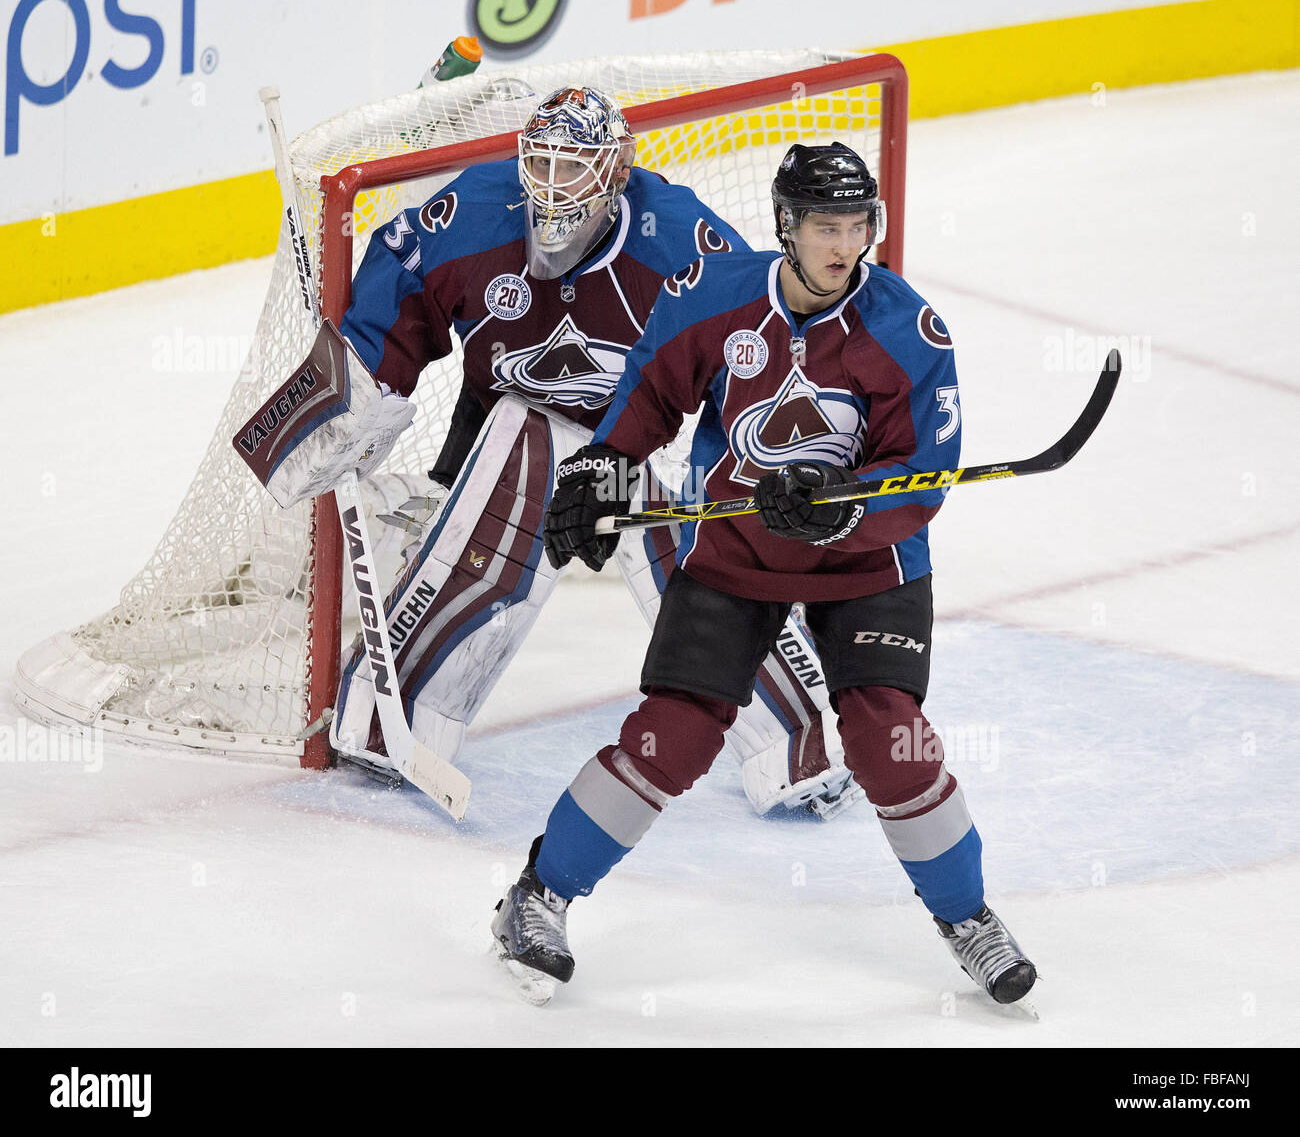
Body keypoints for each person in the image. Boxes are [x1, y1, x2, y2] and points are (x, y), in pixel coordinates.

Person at [490, 141, 1037, 1007]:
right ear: (786, 224)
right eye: (827, 225)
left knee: (889, 739)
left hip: (868, 560)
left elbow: (926, 470)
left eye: (859, 225)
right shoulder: (713, 296)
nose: (844, 245)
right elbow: (651, 391)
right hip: (738, 548)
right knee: (673, 734)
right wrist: (606, 467)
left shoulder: (908, 330)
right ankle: (538, 897)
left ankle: (968, 917)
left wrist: (847, 502)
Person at [271, 83, 859, 818]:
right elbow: (403, 280)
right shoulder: (479, 212)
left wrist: (763, 463)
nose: (552, 187)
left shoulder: (676, 238)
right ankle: (391, 719)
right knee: (494, 527)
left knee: (706, 564)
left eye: (574, 167)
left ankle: (801, 745)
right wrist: (355, 391)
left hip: (635, 435)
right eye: (541, 164)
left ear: (616, 173)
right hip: (511, 414)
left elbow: (749, 344)